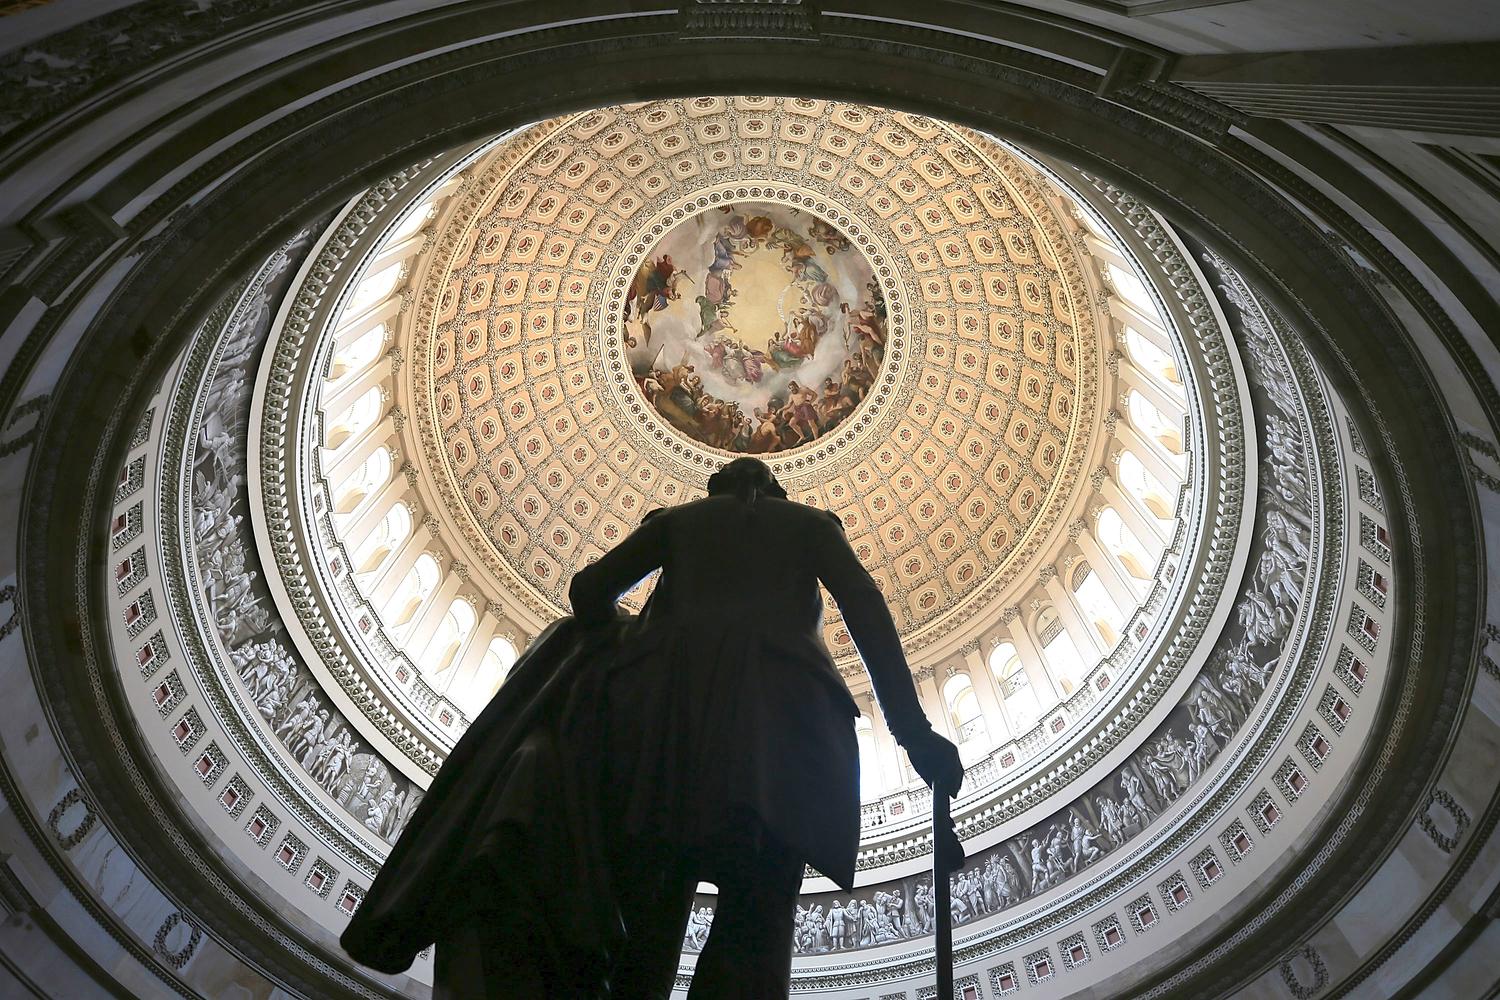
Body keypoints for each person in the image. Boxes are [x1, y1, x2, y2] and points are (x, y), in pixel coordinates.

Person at [560, 456, 962, 998]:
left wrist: (633, 634)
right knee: (758, 932)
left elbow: (588, 591)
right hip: (786, 735)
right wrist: (912, 732)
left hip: (670, 730)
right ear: (775, 491)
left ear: (714, 488)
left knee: (644, 930)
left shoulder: (676, 521)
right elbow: (865, 605)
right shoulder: (811, 524)